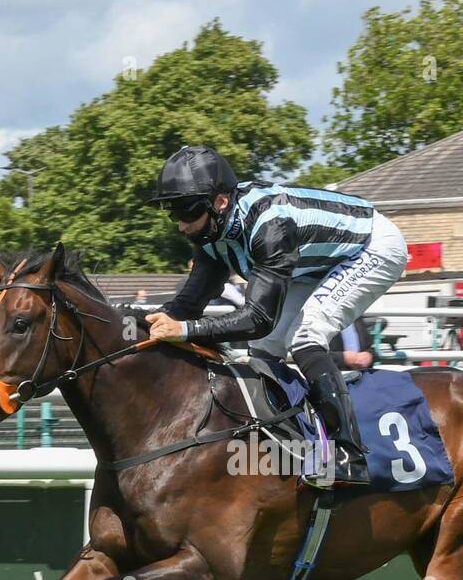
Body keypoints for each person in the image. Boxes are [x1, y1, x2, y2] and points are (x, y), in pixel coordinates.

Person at [143, 145, 408, 485]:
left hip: (372, 247)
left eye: (187, 211)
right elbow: (185, 306)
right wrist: (135, 325)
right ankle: (285, 438)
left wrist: (184, 329)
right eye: (173, 213)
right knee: (267, 350)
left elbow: (256, 319)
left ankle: (349, 454)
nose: (181, 225)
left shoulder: (269, 225)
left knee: (306, 336)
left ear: (220, 202)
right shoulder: (213, 231)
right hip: (316, 264)